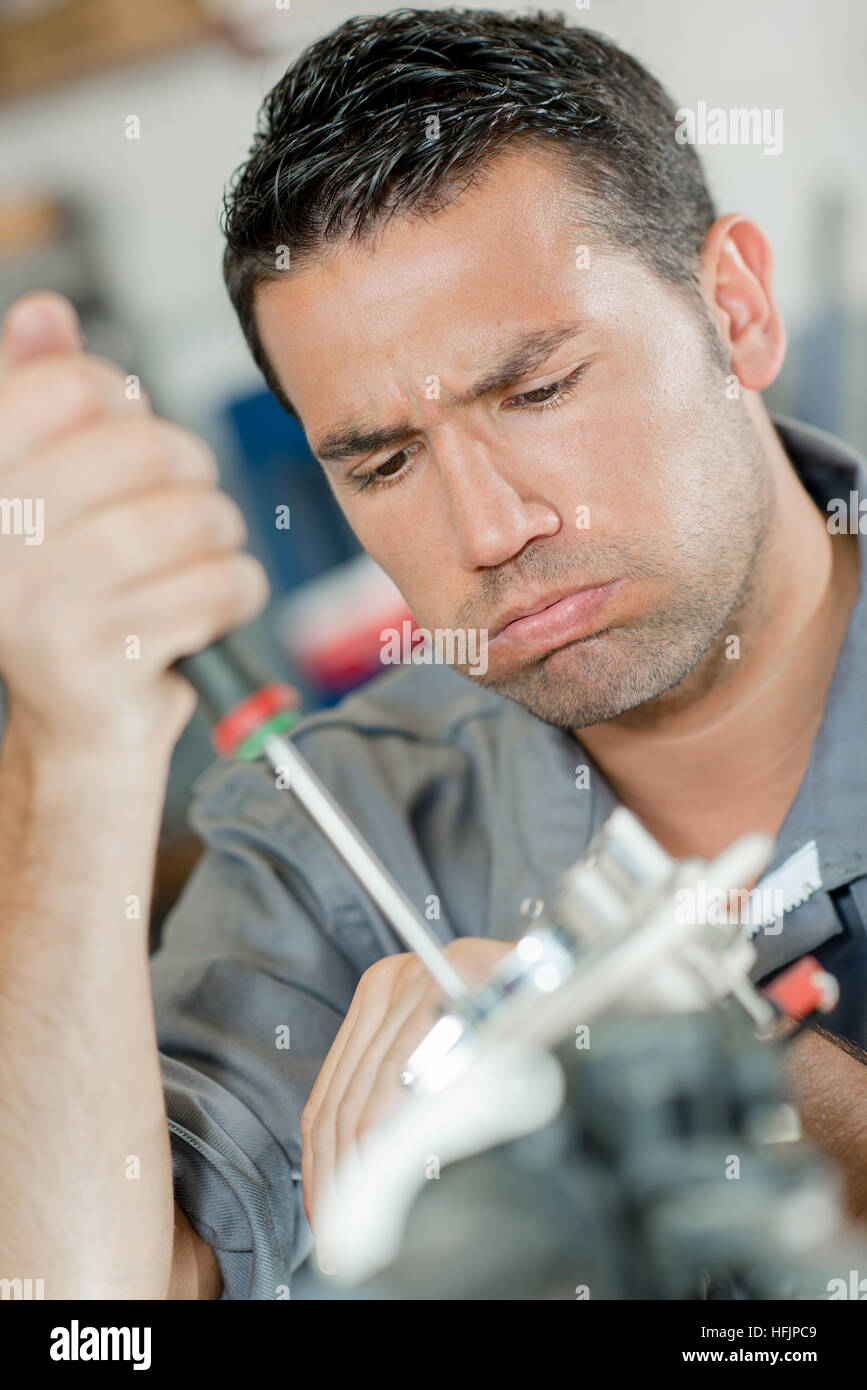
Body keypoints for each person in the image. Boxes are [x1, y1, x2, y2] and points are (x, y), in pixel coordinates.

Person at [1, 9, 866, 1302]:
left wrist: (677, 1050)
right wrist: (77, 749)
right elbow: (82, 1322)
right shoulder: (342, 828)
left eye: (538, 390)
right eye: (384, 461)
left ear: (734, 309)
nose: (489, 529)